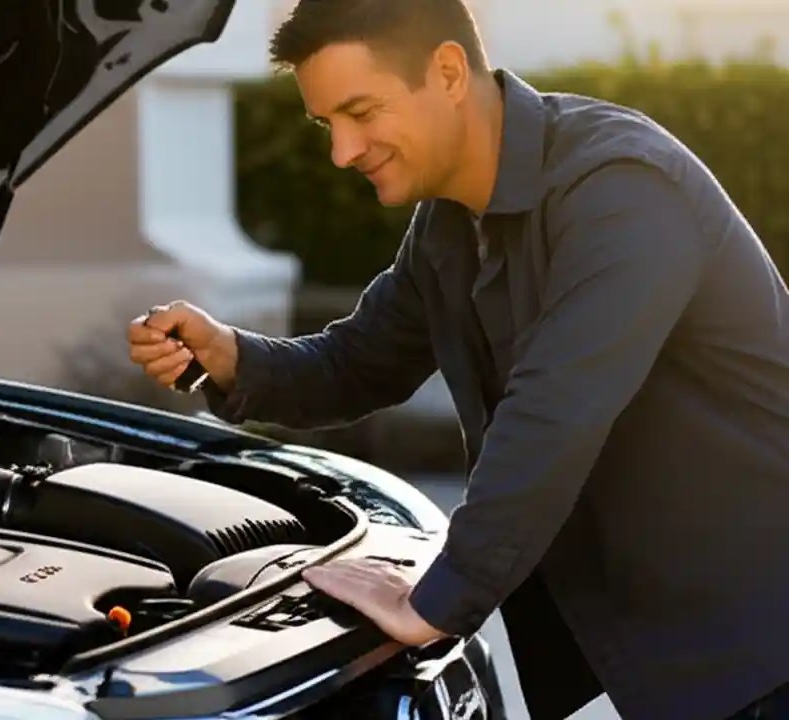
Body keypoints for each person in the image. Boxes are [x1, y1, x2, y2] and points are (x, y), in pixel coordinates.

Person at [125, 1, 789, 718]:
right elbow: (355, 363)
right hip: (676, 652)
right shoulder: (447, 225)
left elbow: (554, 411)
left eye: (361, 111)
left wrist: (437, 601)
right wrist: (227, 356)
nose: (342, 152)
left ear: (445, 71)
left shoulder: (623, 190)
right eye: (327, 124)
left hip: (764, 636)